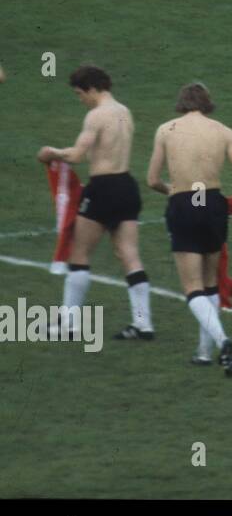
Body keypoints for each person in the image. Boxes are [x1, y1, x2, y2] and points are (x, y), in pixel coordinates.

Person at [146, 83, 232, 376]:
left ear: (182, 103)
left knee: (192, 287)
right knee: (210, 283)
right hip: (212, 203)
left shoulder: (165, 130)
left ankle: (222, 342)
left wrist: (171, 190)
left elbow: (152, 180)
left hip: (185, 201)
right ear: (208, 104)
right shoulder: (223, 131)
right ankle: (203, 352)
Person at [37, 65, 152, 342]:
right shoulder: (124, 112)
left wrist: (52, 152)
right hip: (126, 186)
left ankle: (69, 323)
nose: (80, 99)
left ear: (91, 88)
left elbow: (77, 156)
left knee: (79, 252)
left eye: (80, 94)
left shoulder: (96, 116)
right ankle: (143, 324)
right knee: (129, 255)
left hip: (103, 188)